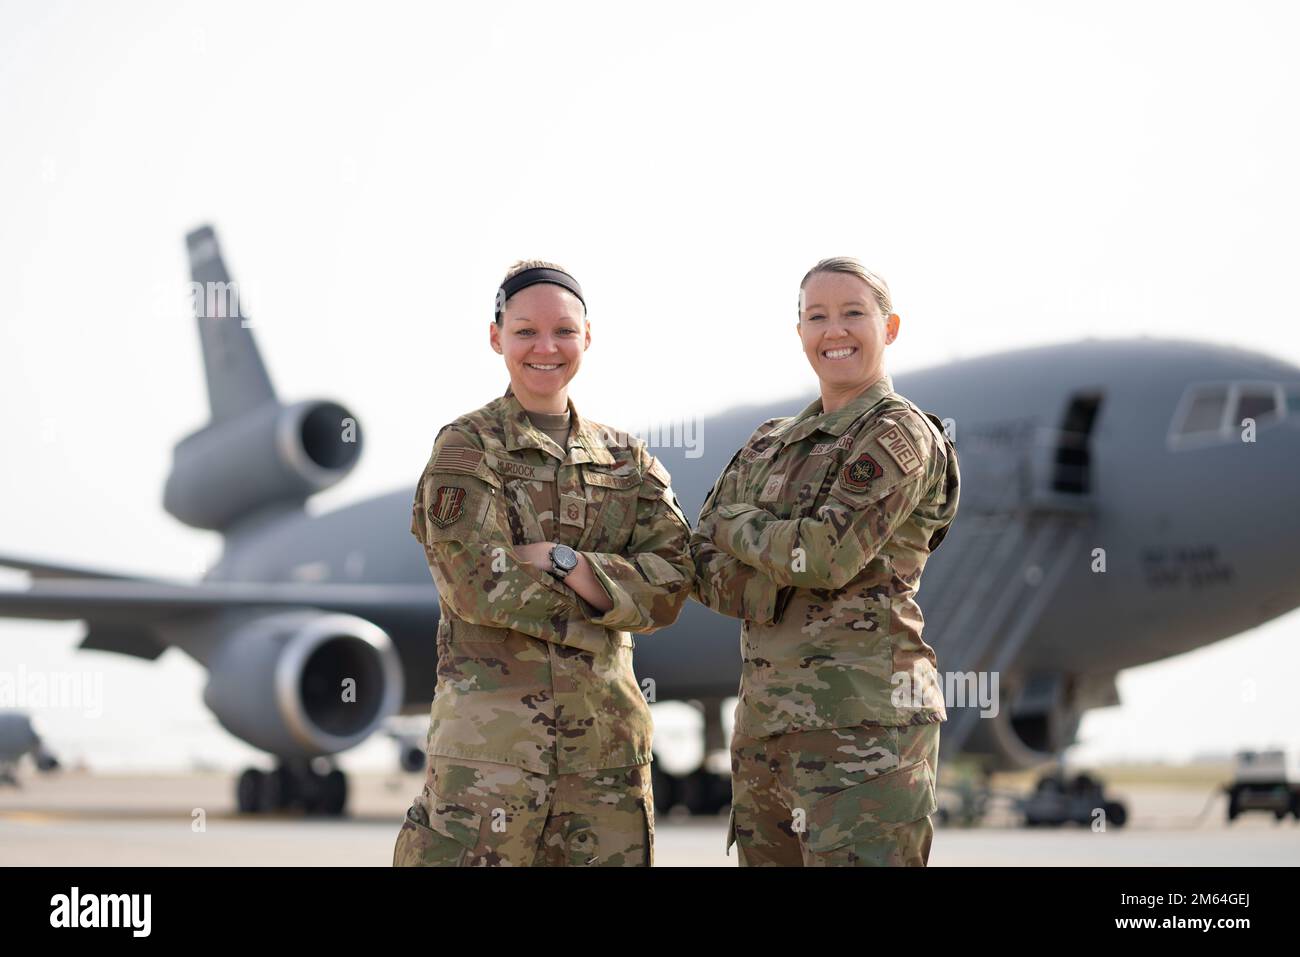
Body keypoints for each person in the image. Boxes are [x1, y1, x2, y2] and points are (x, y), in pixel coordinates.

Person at [393, 261, 693, 867]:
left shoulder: (626, 460)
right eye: (526, 331)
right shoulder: (466, 447)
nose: (545, 347)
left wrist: (565, 562)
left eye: (563, 330)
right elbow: (476, 586)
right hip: (491, 762)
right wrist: (610, 596)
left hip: (606, 763)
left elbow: (675, 585)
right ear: (496, 337)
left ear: (588, 336)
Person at [691, 257, 960, 866]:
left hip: (864, 731)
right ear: (801, 334)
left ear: (889, 328)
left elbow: (826, 555)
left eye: (852, 314)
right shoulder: (768, 443)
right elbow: (700, 561)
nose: (834, 331)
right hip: (766, 730)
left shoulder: (899, 435)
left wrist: (743, 526)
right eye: (817, 317)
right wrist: (773, 587)